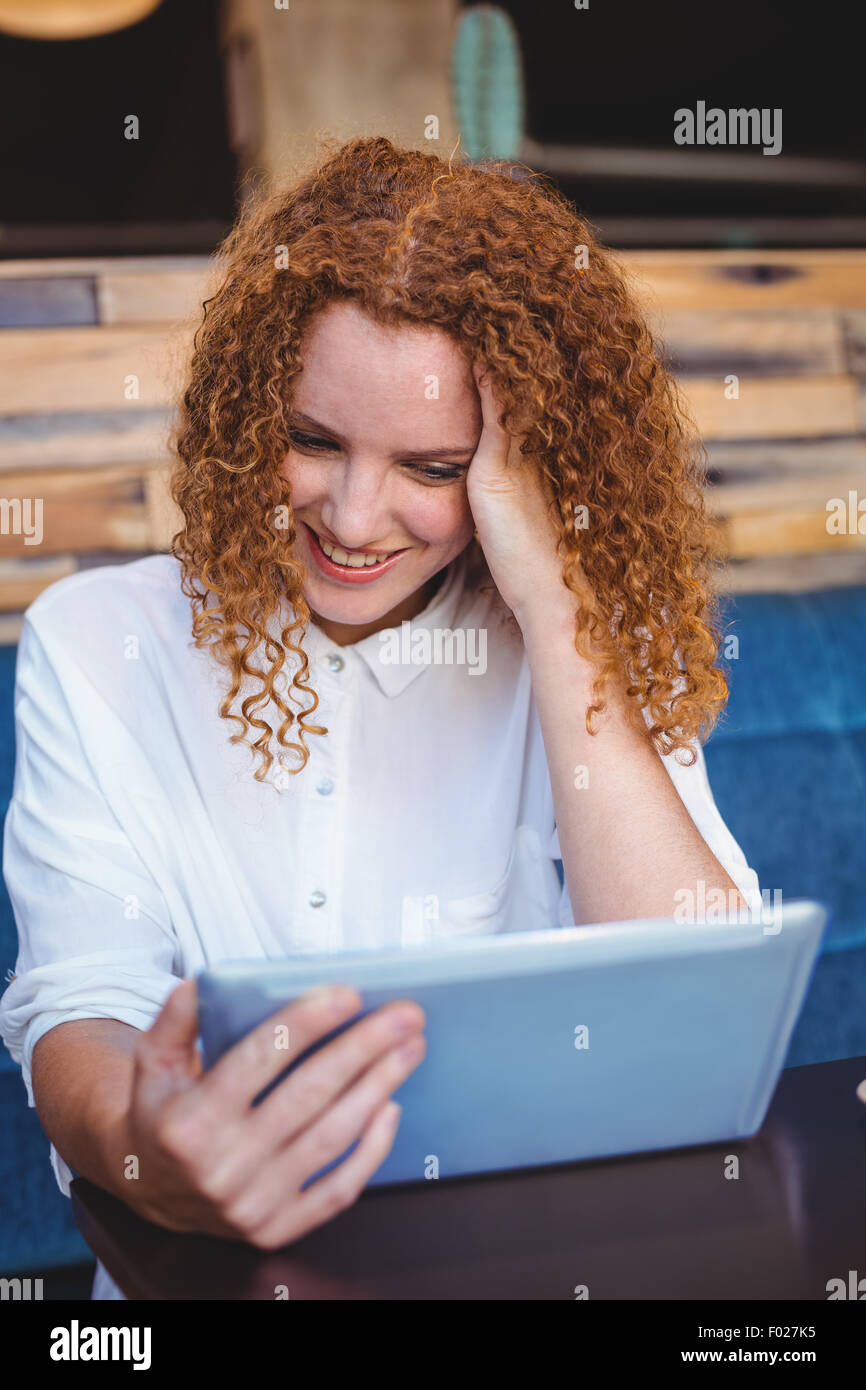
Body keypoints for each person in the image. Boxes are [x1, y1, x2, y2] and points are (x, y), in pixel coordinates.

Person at [0, 136, 761, 1272]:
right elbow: (82, 1000)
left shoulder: (581, 648)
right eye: (311, 441)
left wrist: (555, 604)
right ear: (248, 406)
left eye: (434, 468)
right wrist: (147, 1148)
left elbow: (702, 1008)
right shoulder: (96, 642)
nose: (354, 518)